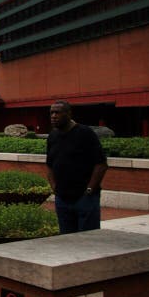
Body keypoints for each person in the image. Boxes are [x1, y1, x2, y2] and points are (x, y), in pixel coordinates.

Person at [46, 100, 109, 234]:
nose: (53, 116)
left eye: (57, 112)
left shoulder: (85, 133)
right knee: (67, 239)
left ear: (69, 114)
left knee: (88, 239)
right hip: (62, 198)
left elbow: (101, 164)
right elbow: (50, 164)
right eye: (51, 112)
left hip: (84, 198)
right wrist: (54, 186)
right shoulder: (52, 136)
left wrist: (90, 189)